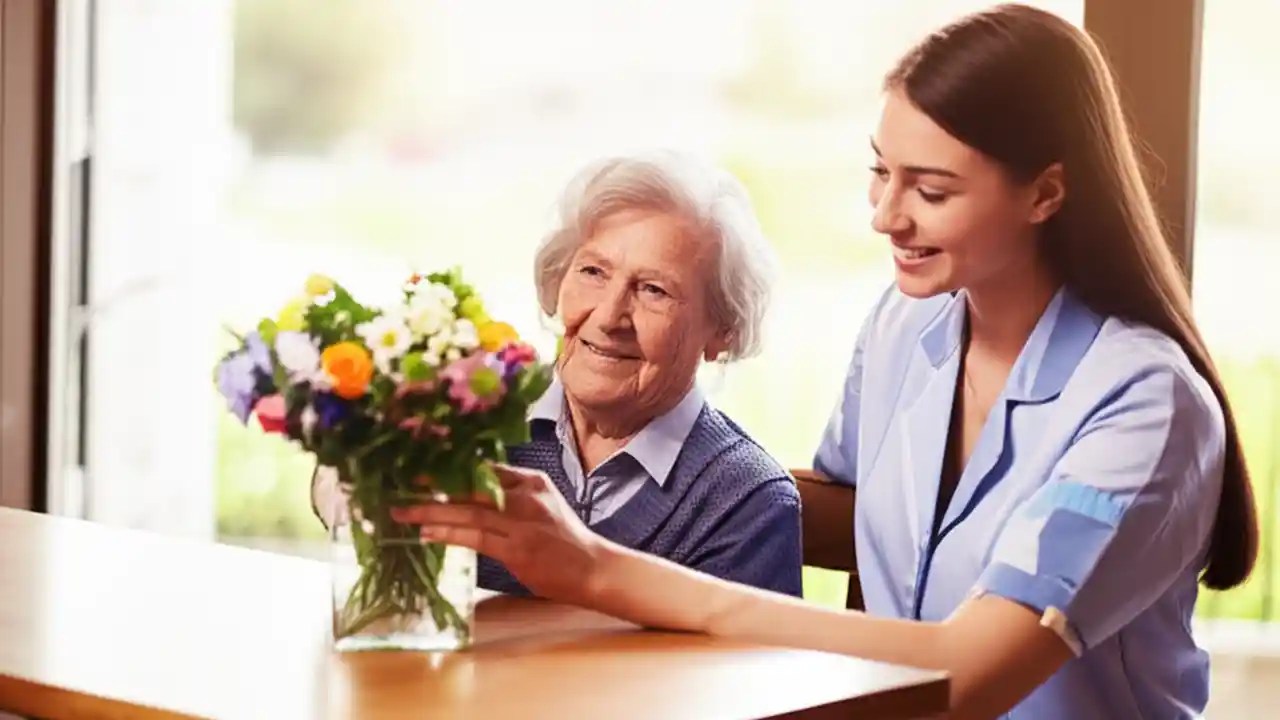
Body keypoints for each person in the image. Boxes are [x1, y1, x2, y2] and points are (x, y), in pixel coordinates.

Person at [391, 5, 1259, 719]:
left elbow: (966, 674)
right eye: (879, 174)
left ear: (1046, 192)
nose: (885, 215)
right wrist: (477, 463)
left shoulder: (1145, 404)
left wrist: (596, 566)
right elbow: (855, 517)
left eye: (931, 189)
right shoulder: (904, 326)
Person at [319, 151, 804, 597]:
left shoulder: (746, 501)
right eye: (593, 272)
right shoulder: (474, 413)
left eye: (654, 290)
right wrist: (356, 479)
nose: (610, 316)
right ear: (558, 278)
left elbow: (734, 687)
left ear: (722, 330)